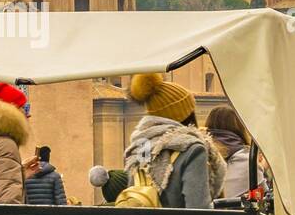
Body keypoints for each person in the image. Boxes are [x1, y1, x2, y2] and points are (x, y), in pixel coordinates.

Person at [91, 75, 226, 208]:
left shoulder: (143, 143)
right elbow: (198, 208)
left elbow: (136, 186)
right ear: (183, 113)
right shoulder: (192, 149)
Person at [203, 104, 257, 198]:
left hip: (203, 210)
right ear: (240, 126)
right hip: (235, 211)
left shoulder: (200, 151)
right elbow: (263, 193)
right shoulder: (246, 159)